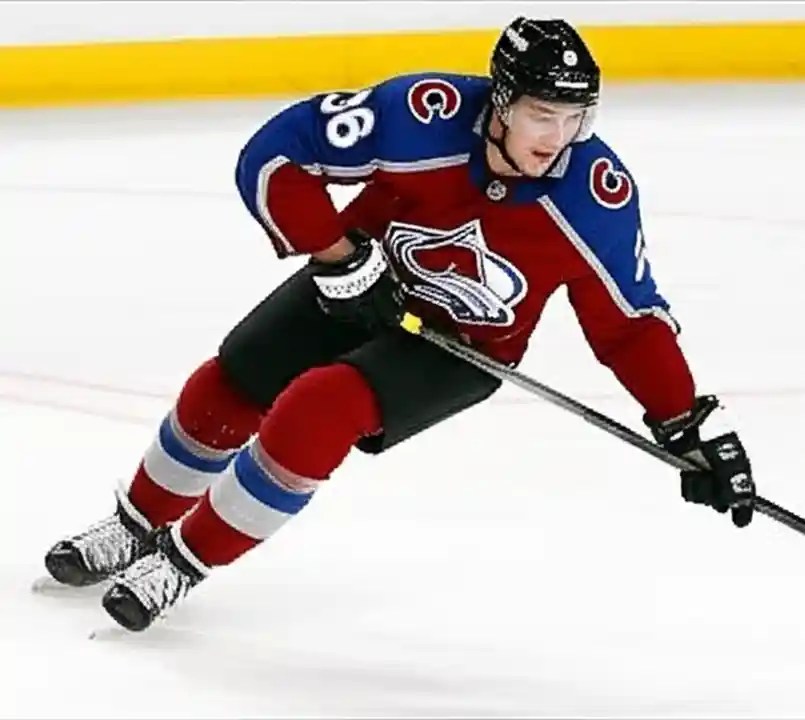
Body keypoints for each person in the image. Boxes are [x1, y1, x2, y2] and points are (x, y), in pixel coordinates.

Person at [41, 17, 758, 633]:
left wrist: (687, 424)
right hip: (360, 285)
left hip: (461, 348)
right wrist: (339, 255)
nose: (560, 137)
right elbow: (275, 157)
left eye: (577, 118)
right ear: (501, 103)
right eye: (544, 114)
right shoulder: (423, 114)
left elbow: (631, 325)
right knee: (236, 377)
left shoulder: (594, 197)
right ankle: (134, 524)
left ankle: (182, 562)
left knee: (318, 409)